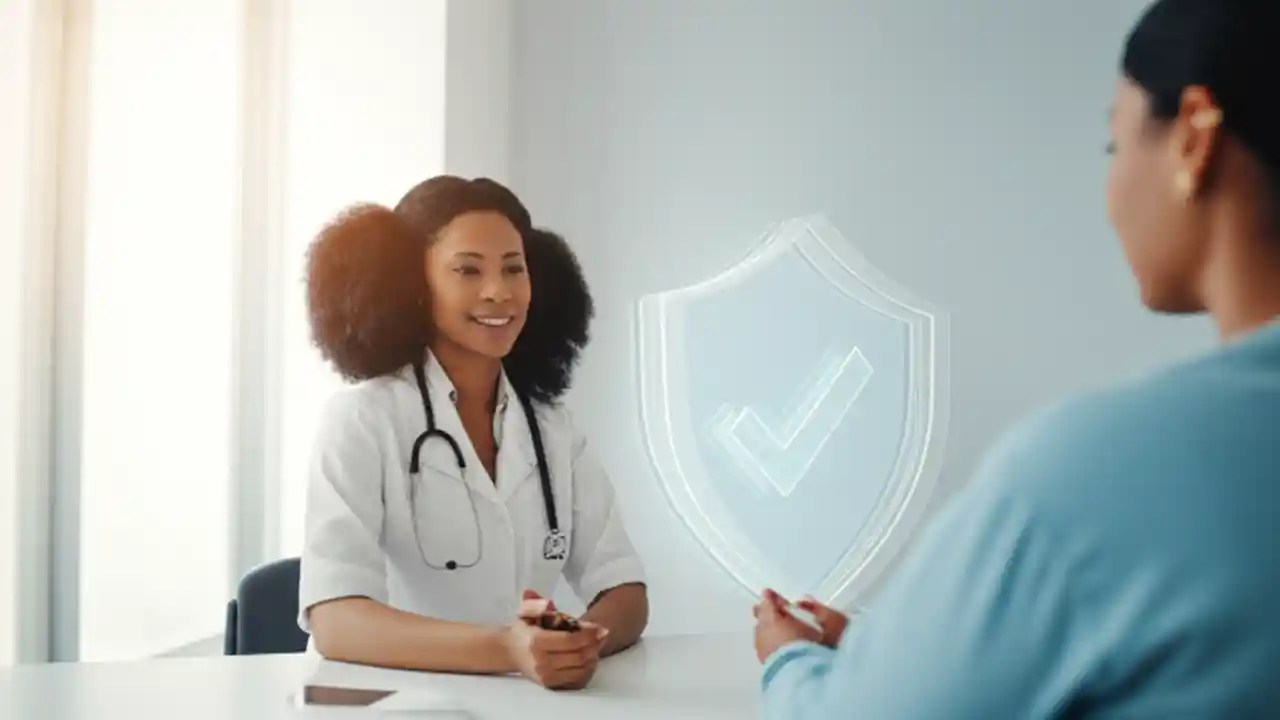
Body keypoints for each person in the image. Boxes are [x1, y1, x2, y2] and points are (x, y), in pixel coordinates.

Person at [752, 0, 1280, 716]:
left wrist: (790, 662)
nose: (1112, 190)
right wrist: (923, 650)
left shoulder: (1093, 474)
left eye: (1114, 146)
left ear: (1194, 136)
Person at [297, 175, 648, 690]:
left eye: (514, 268)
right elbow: (336, 622)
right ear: (413, 286)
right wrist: (509, 649)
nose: (499, 291)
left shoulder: (550, 427)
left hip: (517, 700)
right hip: (383, 700)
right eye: (467, 269)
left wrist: (579, 641)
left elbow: (625, 590)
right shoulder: (361, 420)